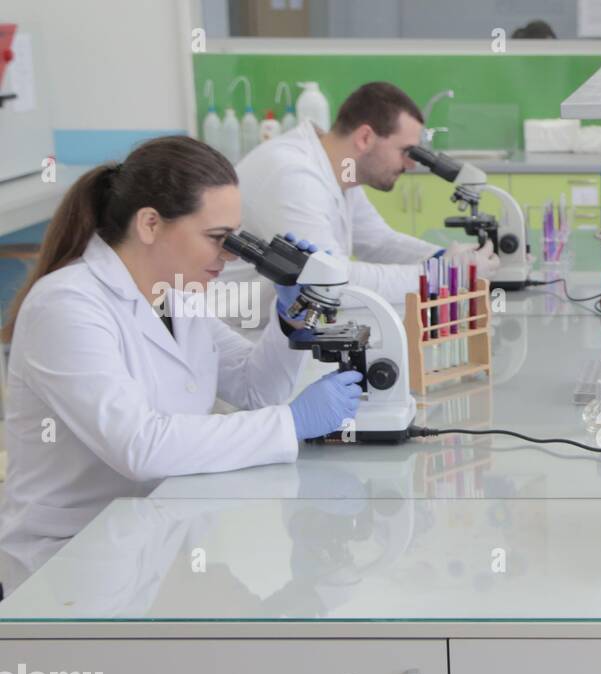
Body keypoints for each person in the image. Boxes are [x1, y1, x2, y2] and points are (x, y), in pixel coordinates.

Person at [0, 136, 363, 594]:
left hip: (154, 545)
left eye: (235, 238)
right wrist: (291, 423)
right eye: (217, 238)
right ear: (150, 223)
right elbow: (139, 446)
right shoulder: (68, 305)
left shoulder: (177, 298)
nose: (231, 255)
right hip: (68, 566)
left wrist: (289, 324)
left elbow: (254, 390)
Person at [231, 81, 496, 308]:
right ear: (365, 137)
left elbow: (377, 241)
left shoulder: (340, 169)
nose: (411, 164)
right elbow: (329, 283)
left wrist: (450, 259)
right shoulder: (292, 175)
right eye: (406, 151)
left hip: (289, 329)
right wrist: (444, 275)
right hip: (243, 335)